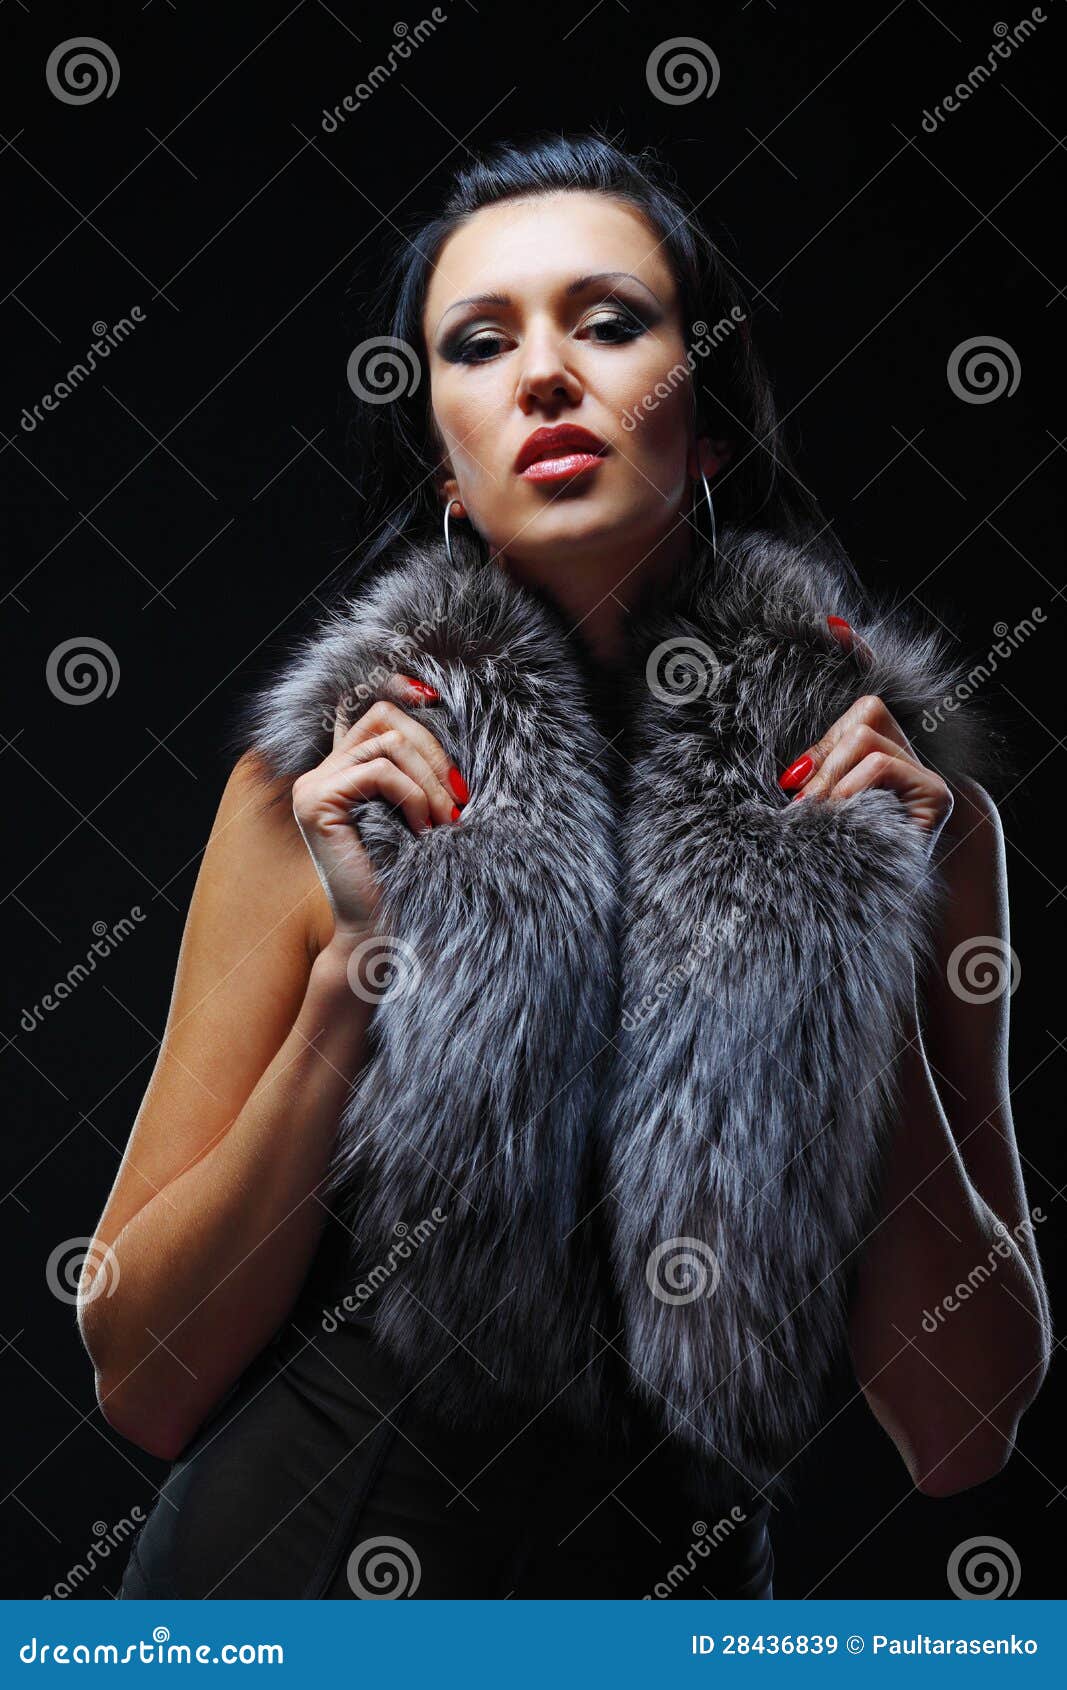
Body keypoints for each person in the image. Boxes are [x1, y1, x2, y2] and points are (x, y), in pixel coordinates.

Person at [77, 131, 1048, 1600]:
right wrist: (358, 974)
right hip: (300, 1584)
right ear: (447, 468)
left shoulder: (899, 809)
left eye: (608, 322)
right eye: (479, 343)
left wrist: (864, 946)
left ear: (706, 422)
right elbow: (141, 1375)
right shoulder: (327, 786)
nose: (545, 373)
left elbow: (963, 1428)